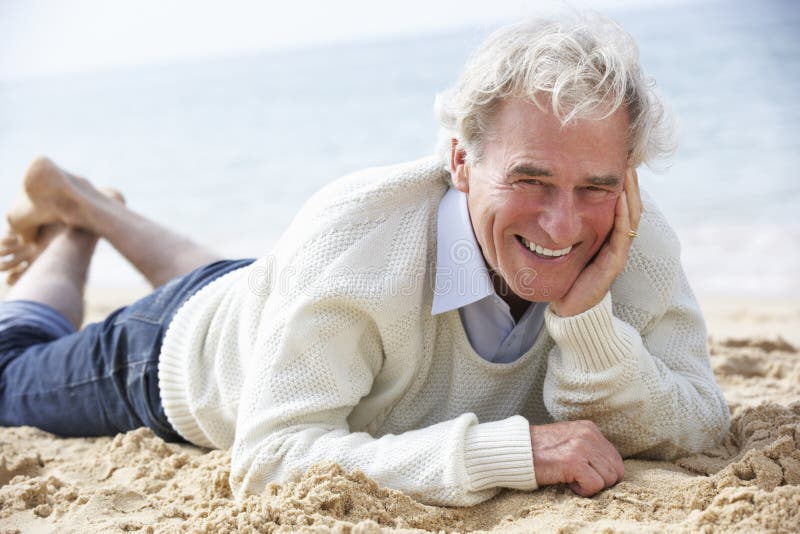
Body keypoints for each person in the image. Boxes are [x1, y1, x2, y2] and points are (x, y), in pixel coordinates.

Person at [0, 12, 729, 506]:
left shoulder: (635, 240)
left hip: (277, 293)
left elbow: (702, 425)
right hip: (177, 355)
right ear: (461, 160)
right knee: (10, 371)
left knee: (249, 277)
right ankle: (75, 235)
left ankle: (93, 206)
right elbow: (270, 459)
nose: (563, 224)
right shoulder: (357, 239)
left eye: (595, 186)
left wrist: (588, 318)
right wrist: (511, 453)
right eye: (530, 179)